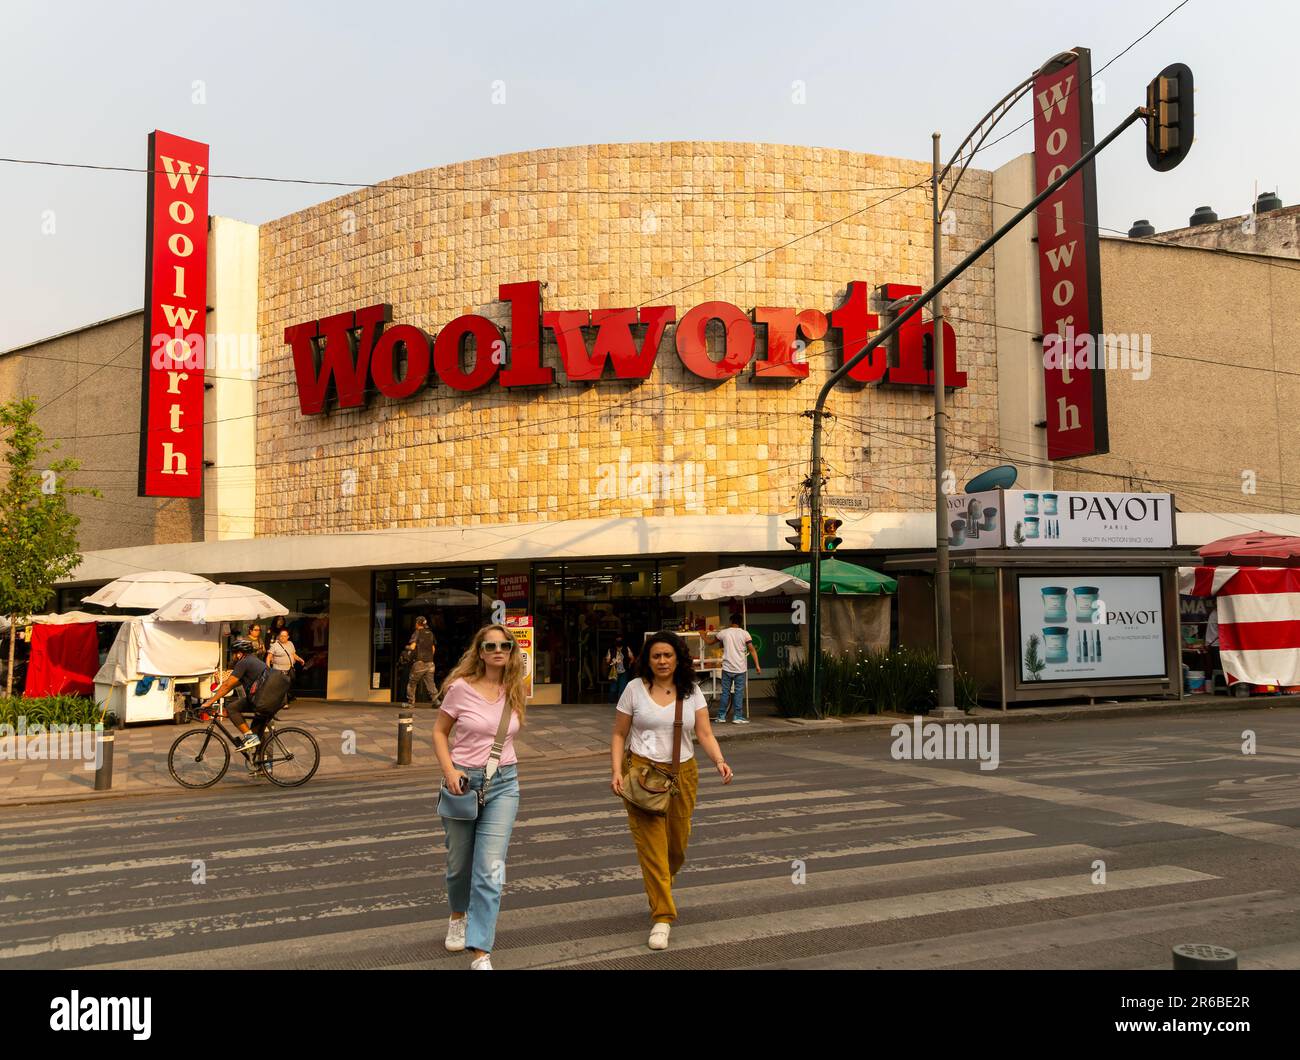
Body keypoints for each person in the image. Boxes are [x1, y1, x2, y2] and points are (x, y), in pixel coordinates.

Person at [611, 631, 733, 950]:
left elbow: (704, 733)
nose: (662, 661)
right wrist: (616, 772)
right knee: (652, 848)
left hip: (683, 775)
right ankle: (663, 916)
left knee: (676, 848)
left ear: (678, 658)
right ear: (646, 660)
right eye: (656, 656)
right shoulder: (634, 690)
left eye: (668, 655)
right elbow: (618, 735)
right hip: (641, 774)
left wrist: (719, 760)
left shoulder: (691, 691)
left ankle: (661, 884)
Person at [433, 624, 527, 970]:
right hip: (462, 783)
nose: (498, 650)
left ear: (512, 650)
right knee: (459, 865)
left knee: (490, 868)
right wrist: (449, 771)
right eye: (491, 645)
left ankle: (481, 951)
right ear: (480, 651)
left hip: (504, 784)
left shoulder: (515, 688)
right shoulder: (460, 688)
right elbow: (440, 733)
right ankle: (458, 913)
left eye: (505, 645)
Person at [199, 639, 290, 765]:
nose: (233, 656)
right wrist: (218, 692)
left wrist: (209, 702)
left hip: (264, 700)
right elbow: (232, 684)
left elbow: (227, 686)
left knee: (232, 708)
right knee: (257, 731)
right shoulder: (253, 661)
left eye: (234, 653)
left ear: (239, 653)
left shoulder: (244, 662)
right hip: (272, 699)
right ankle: (262, 766)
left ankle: (250, 738)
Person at [705, 612, 762, 723]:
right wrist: (757, 666)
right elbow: (752, 650)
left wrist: (703, 636)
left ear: (731, 622)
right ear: (740, 623)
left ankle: (721, 716)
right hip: (740, 668)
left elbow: (710, 642)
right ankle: (737, 716)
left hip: (726, 668)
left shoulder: (724, 633)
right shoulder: (745, 634)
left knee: (725, 692)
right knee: (738, 692)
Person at [407, 616, 439, 706]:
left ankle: (411, 702)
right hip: (430, 663)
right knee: (430, 683)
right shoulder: (430, 633)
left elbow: (412, 647)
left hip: (419, 662)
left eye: (416, 622)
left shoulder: (417, 633)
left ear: (417, 623)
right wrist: (429, 658)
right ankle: (436, 701)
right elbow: (433, 648)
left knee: (412, 682)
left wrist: (406, 648)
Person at [267, 628, 304, 706]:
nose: (283, 637)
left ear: (288, 637)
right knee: (282, 686)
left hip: (289, 668)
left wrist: (300, 659)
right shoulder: (275, 645)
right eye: (281, 636)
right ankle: (284, 703)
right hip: (279, 669)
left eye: (284, 636)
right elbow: (269, 657)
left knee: (287, 685)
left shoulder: (290, 643)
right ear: (279, 636)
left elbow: (293, 654)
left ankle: (282, 699)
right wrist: (268, 667)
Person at [604, 636, 634, 704]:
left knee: (622, 689)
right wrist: (611, 661)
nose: (619, 642)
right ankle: (611, 703)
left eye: (620, 640)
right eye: (617, 640)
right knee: (613, 689)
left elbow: (632, 657)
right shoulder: (611, 650)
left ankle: (621, 704)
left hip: (624, 672)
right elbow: (607, 660)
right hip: (614, 672)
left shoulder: (626, 649)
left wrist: (629, 664)